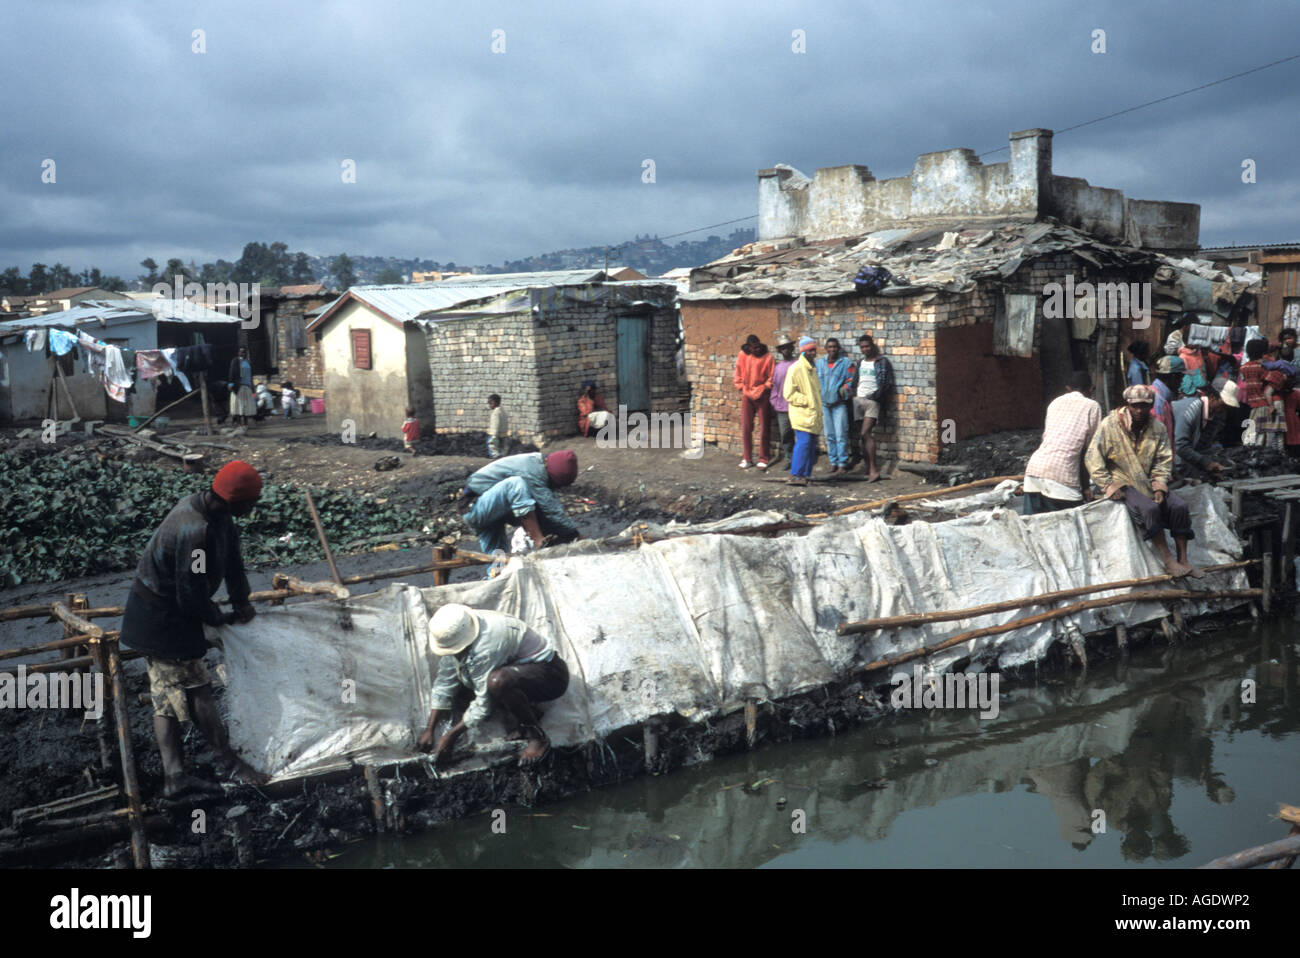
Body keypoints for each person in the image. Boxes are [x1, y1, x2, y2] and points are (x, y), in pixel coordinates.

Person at [118, 460, 269, 798]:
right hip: (160, 618)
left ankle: (177, 776)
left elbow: (233, 562)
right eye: (251, 503)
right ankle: (228, 763)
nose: (254, 508)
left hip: (174, 612)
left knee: (170, 696)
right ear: (234, 501)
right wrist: (218, 620)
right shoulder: (194, 530)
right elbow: (191, 594)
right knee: (195, 688)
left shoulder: (220, 518)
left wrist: (240, 599)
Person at [417, 604, 569, 767]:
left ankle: (538, 737)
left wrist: (451, 735)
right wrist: (429, 729)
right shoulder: (460, 630)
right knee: (463, 687)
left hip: (551, 675)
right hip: (519, 672)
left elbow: (484, 701)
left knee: (498, 682)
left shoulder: (486, 646)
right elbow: (445, 681)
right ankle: (529, 713)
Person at [1085, 385, 1200, 578]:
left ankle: (1183, 560)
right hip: (1123, 481)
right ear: (1128, 405)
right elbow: (1092, 458)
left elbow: (1163, 460)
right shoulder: (1110, 424)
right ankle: (1168, 560)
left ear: (1151, 406)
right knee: (1150, 509)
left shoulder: (1158, 428)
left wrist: (1159, 486)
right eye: (1135, 406)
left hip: (1147, 482)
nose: (1139, 411)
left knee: (1179, 506)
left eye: (1144, 406)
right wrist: (1107, 485)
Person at [459, 450, 583, 554]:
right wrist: (575, 534)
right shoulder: (534, 471)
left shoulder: (538, 463)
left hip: (491, 512)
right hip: (474, 506)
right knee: (516, 485)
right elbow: (551, 510)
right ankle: (538, 540)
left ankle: (496, 576)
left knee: (499, 564)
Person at [1021, 371, 1101, 514]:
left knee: (1034, 530)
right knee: (1069, 530)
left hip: (1034, 472)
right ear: (1089, 389)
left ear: (1068, 388)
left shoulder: (1055, 402)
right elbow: (1088, 451)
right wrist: (1085, 487)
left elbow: (1049, 437)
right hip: (1062, 479)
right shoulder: (1092, 406)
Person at [782, 337, 823, 486]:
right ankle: (795, 474)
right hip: (802, 414)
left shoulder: (812, 368)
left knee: (811, 445)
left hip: (812, 414)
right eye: (810, 350)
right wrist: (807, 401)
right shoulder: (796, 368)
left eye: (814, 350)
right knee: (804, 443)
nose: (813, 353)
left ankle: (806, 475)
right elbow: (788, 393)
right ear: (803, 352)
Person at [852, 334, 894, 482]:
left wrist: (875, 396)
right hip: (858, 401)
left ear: (872, 345)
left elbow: (887, 383)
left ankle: (874, 470)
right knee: (862, 436)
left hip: (872, 402)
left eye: (867, 346)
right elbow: (855, 380)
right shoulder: (860, 363)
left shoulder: (882, 362)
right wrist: (854, 396)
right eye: (862, 347)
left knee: (865, 433)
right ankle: (868, 467)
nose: (865, 349)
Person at [1172, 385, 1236, 477]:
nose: (1225, 408)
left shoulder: (1214, 415)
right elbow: (1180, 446)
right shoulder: (1192, 408)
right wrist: (1206, 463)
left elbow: (1203, 447)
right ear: (1212, 398)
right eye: (1224, 403)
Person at [733, 334, 774, 469]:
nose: (755, 350)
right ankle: (747, 458)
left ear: (760, 345)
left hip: (762, 396)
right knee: (745, 428)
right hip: (747, 395)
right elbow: (737, 373)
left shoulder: (768, 357)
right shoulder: (743, 355)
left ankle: (763, 458)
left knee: (764, 429)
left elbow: (771, 377)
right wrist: (741, 387)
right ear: (748, 347)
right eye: (752, 348)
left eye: (757, 347)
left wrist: (764, 388)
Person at [1237, 338, 1287, 450]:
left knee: (1252, 430)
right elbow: (1274, 378)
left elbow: (1245, 380)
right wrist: (1283, 376)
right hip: (1263, 403)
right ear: (1262, 353)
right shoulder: (1261, 368)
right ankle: (1264, 455)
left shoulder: (1243, 368)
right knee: (1264, 433)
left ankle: (1249, 452)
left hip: (1253, 404)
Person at [815, 337, 855, 475]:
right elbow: (815, 381)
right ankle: (833, 462)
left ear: (838, 349)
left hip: (839, 405)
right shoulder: (820, 363)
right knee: (829, 435)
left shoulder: (845, 363)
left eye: (835, 347)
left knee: (841, 435)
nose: (832, 349)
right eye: (830, 347)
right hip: (825, 405)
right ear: (826, 348)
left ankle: (842, 463)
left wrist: (843, 390)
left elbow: (851, 379)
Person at [768, 335, 797, 466]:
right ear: (780, 351)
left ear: (792, 348)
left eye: (788, 347)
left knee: (800, 435)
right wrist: (774, 402)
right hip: (782, 408)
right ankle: (789, 459)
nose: (786, 350)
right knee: (785, 435)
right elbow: (775, 386)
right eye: (783, 348)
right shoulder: (778, 367)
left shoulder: (798, 364)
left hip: (797, 406)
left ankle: (800, 460)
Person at [226, 346, 255, 427]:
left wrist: (253, 388)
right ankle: (239, 423)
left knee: (246, 405)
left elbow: (250, 375)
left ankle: (245, 423)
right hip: (239, 386)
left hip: (247, 386)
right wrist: (231, 383)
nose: (243, 353)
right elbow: (232, 372)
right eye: (241, 351)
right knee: (238, 405)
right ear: (238, 353)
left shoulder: (248, 362)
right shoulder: (235, 361)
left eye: (244, 352)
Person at [487, 394, 508, 458]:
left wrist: (494, 435)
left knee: (492, 446)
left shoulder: (496, 412)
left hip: (496, 434)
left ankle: (496, 457)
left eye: (491, 403)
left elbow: (495, 424)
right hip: (503, 434)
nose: (490, 406)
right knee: (502, 448)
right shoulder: (503, 411)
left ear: (495, 403)